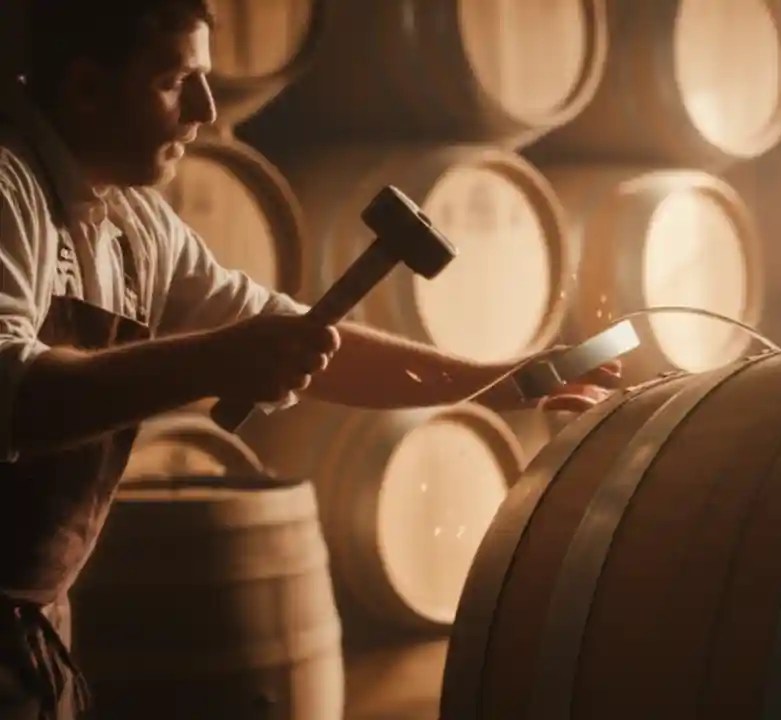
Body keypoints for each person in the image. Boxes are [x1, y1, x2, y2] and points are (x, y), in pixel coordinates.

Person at [0, 1, 620, 717]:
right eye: (175, 81)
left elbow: (298, 339)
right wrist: (212, 363)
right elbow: (16, 395)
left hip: (35, 620)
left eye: (206, 78)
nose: (203, 110)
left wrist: (492, 383)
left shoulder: (135, 225)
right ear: (84, 88)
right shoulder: (12, 189)